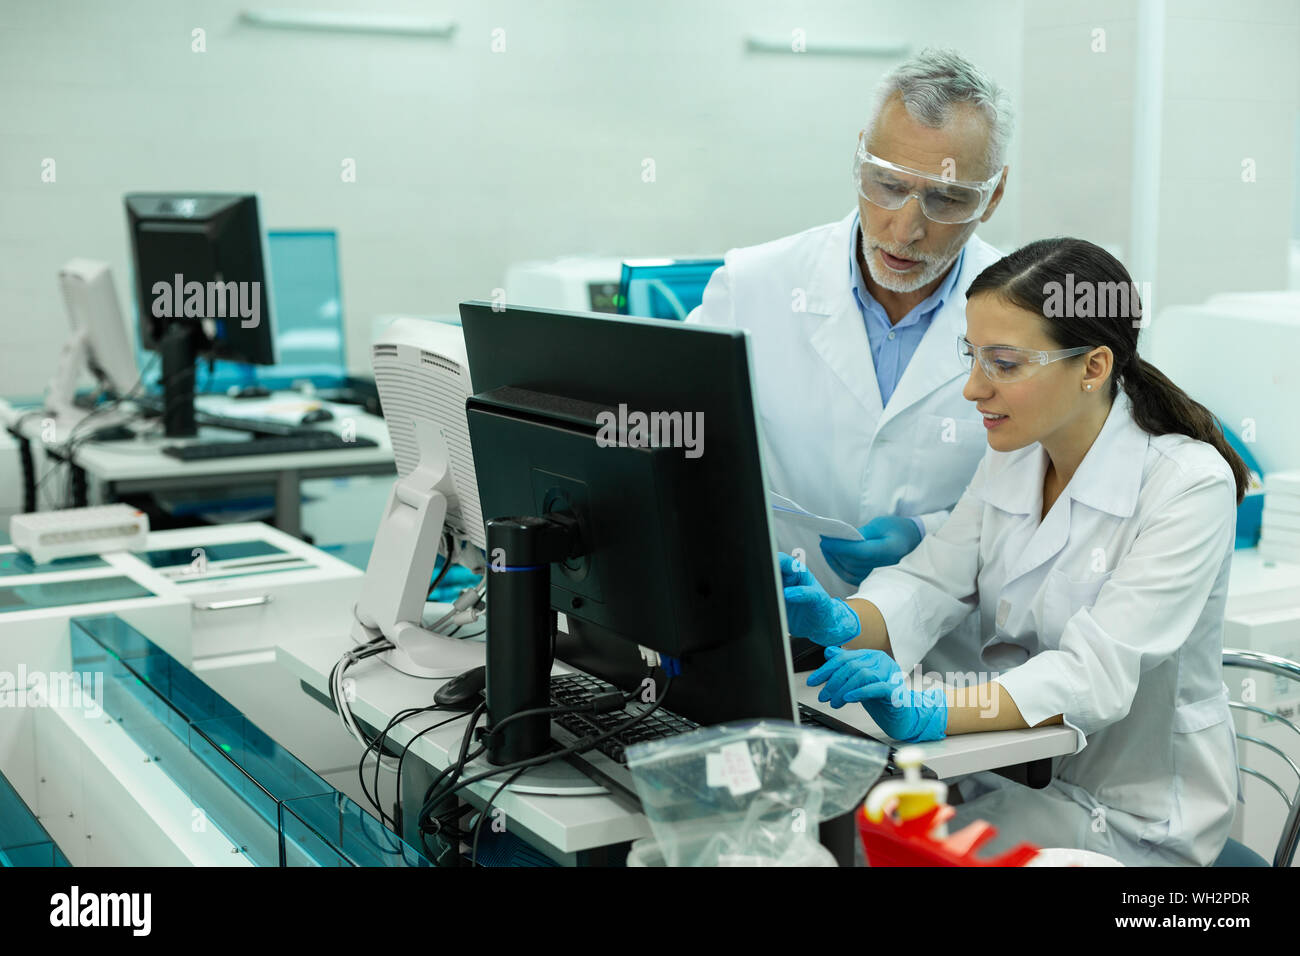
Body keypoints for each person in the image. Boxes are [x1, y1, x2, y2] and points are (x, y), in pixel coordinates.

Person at [784, 237, 1248, 867]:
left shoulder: (1187, 486)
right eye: (972, 357)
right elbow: (932, 581)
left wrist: (933, 707)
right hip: (1003, 775)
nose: (974, 388)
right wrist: (847, 622)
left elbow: (1094, 676)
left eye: (1004, 363)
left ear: (1093, 367)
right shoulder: (1019, 452)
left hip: (1127, 821)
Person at [687, 49, 1010, 602]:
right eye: (886, 184)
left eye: (946, 198)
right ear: (860, 157)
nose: (906, 228)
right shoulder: (752, 286)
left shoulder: (1031, 322)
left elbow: (1051, 499)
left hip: (946, 660)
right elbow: (674, 444)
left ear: (993, 196)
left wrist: (928, 534)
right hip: (778, 633)